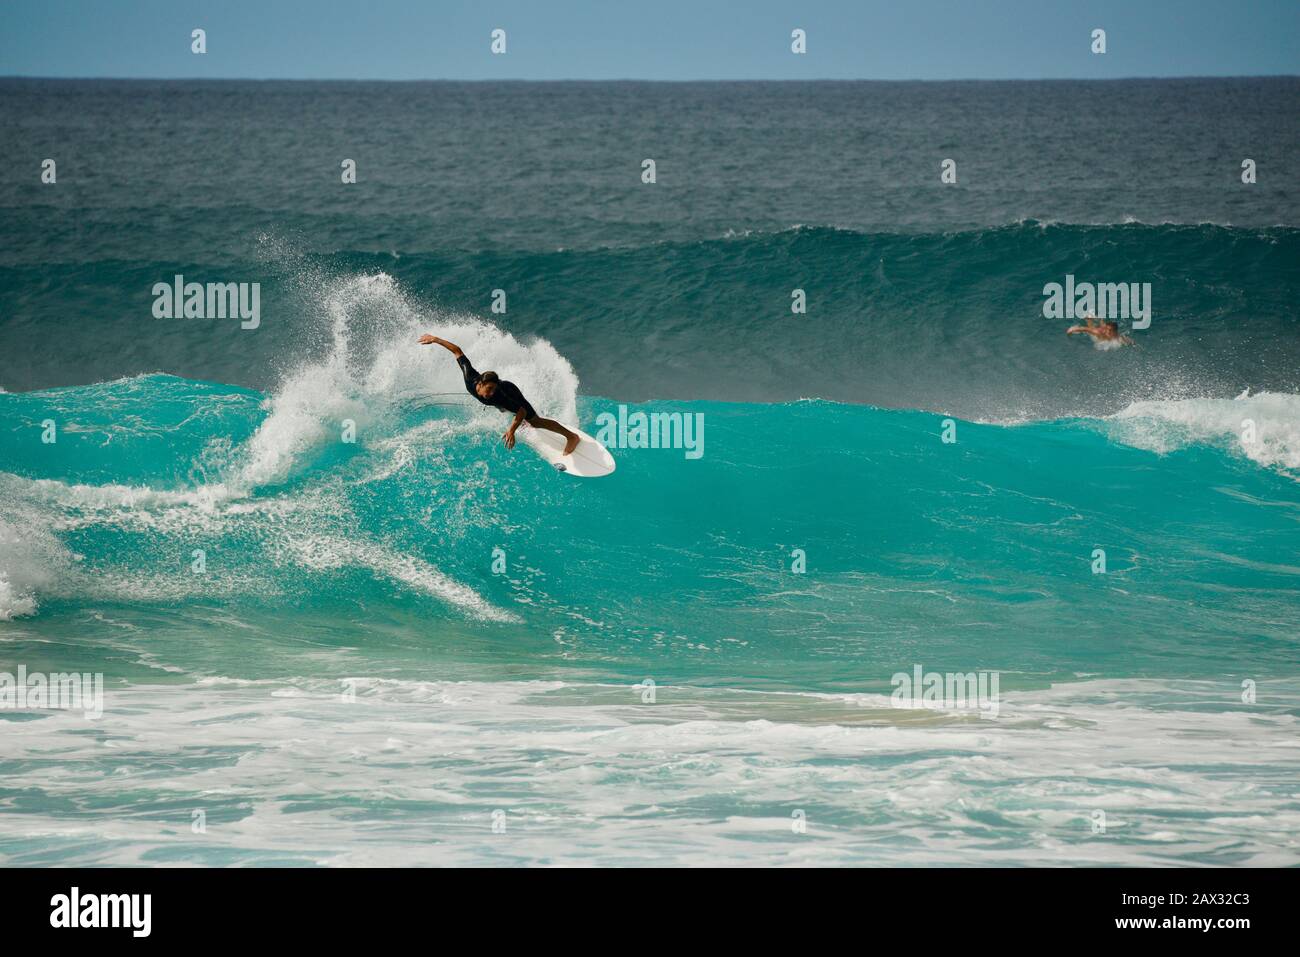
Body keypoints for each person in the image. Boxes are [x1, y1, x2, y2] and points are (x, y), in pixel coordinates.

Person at [418, 334, 580, 455]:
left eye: (493, 390)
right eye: (488, 389)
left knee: (534, 421)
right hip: (500, 398)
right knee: (502, 408)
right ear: (479, 384)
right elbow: (457, 351)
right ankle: (520, 421)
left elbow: (521, 411)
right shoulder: (469, 376)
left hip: (511, 391)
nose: (490, 393)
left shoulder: (499, 394)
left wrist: (511, 431)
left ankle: (571, 437)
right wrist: (435, 339)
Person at [1066, 314, 1134, 345]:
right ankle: (1090, 317)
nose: (1107, 332)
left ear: (1115, 332)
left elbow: (1128, 340)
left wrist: (1132, 343)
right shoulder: (1098, 332)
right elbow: (1085, 329)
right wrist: (1072, 329)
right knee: (1090, 323)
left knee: (1103, 325)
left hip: (1103, 330)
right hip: (1098, 334)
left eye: (1110, 330)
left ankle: (1100, 320)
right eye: (1107, 329)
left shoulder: (1116, 336)